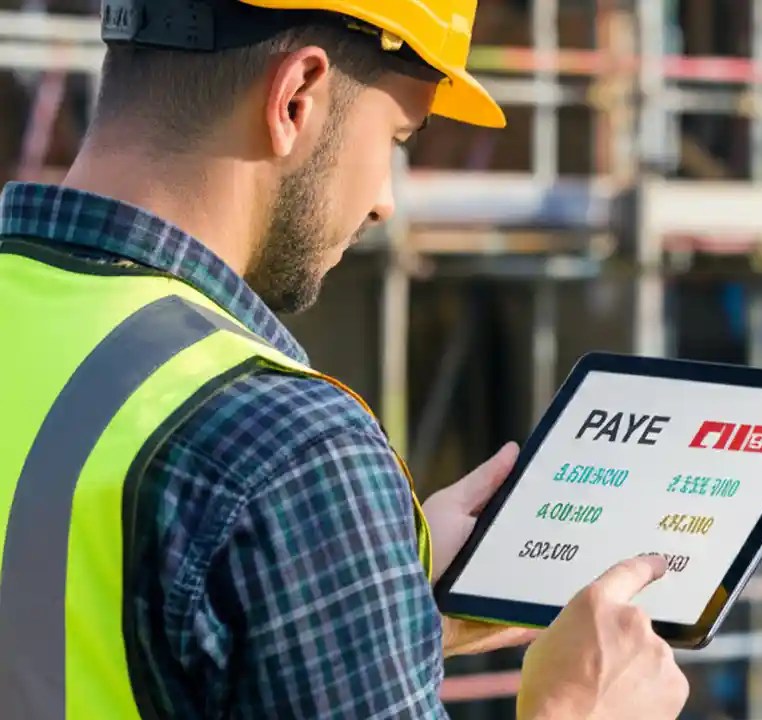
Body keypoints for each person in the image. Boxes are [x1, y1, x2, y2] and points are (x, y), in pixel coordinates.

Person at [0, 1, 689, 718]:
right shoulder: (289, 450)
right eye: (396, 138)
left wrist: (375, 605)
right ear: (296, 96)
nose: (384, 202)